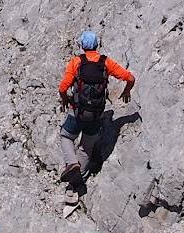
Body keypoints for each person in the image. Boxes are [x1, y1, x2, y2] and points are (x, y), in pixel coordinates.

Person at [57, 30, 134, 188]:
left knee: (66, 137)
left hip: (76, 111)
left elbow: (63, 88)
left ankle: (72, 163)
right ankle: (75, 183)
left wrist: (65, 101)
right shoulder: (106, 63)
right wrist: (126, 91)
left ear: (82, 45)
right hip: (96, 115)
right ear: (97, 45)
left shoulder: (76, 62)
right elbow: (130, 78)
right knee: (86, 147)